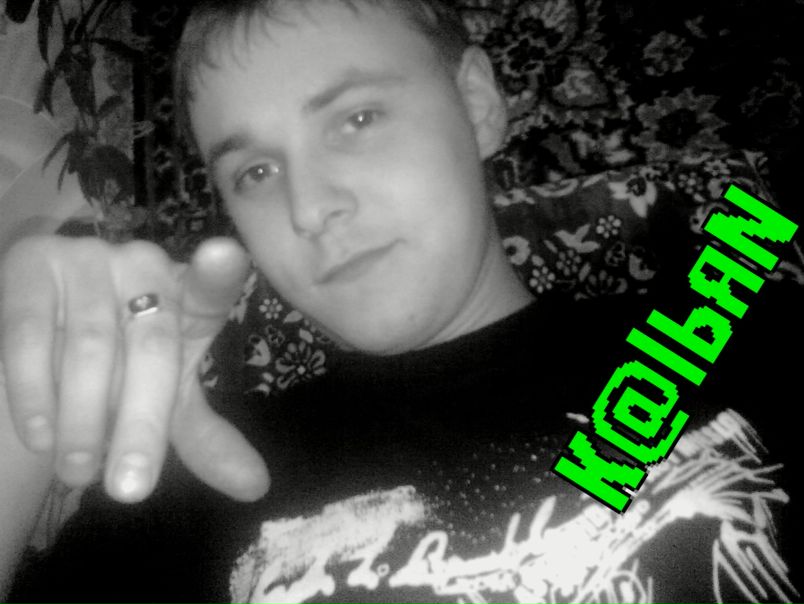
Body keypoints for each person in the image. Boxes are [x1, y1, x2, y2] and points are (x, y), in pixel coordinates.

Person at [0, 0, 800, 602]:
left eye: (357, 118)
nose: (310, 209)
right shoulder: (202, 473)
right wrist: (19, 407)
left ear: (478, 105)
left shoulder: (723, 332)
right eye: (255, 173)